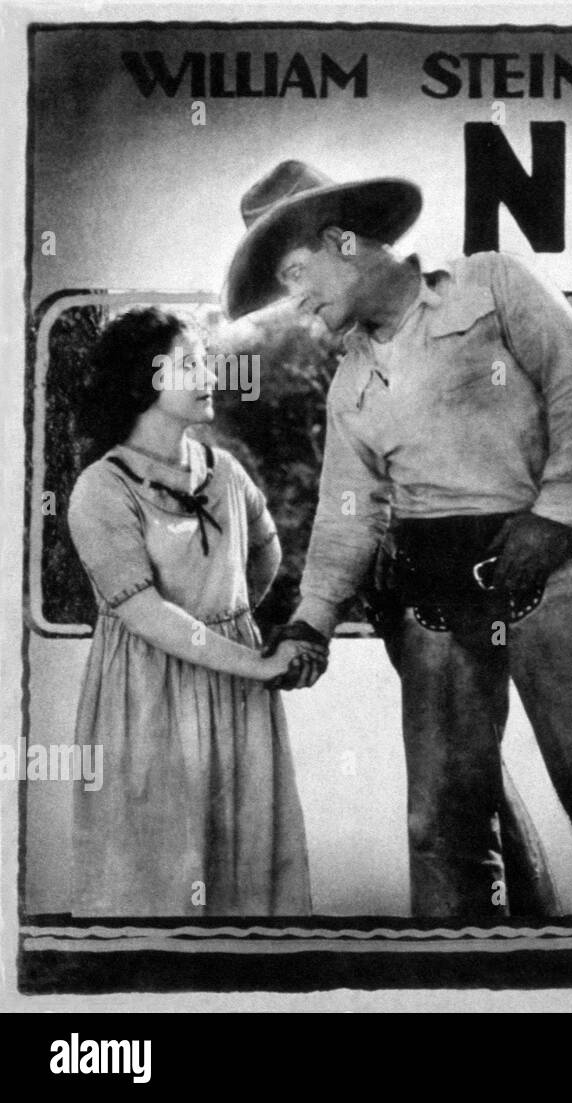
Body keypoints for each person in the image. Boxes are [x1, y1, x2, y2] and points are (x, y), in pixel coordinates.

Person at [227, 160, 572, 917]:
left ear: (341, 241)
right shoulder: (351, 382)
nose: (297, 301)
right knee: (442, 824)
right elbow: (348, 512)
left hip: (551, 577)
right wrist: (311, 619)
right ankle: (457, 991)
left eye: (295, 273)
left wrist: (552, 517)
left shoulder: (492, 283)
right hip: (435, 604)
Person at [67, 307, 313, 916]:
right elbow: (146, 614)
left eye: (206, 359)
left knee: (246, 871)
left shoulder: (223, 469)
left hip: (232, 687)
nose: (208, 373)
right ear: (140, 382)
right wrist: (247, 656)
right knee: (159, 874)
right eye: (189, 363)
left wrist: (223, 633)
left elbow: (266, 553)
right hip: (150, 694)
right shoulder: (102, 488)